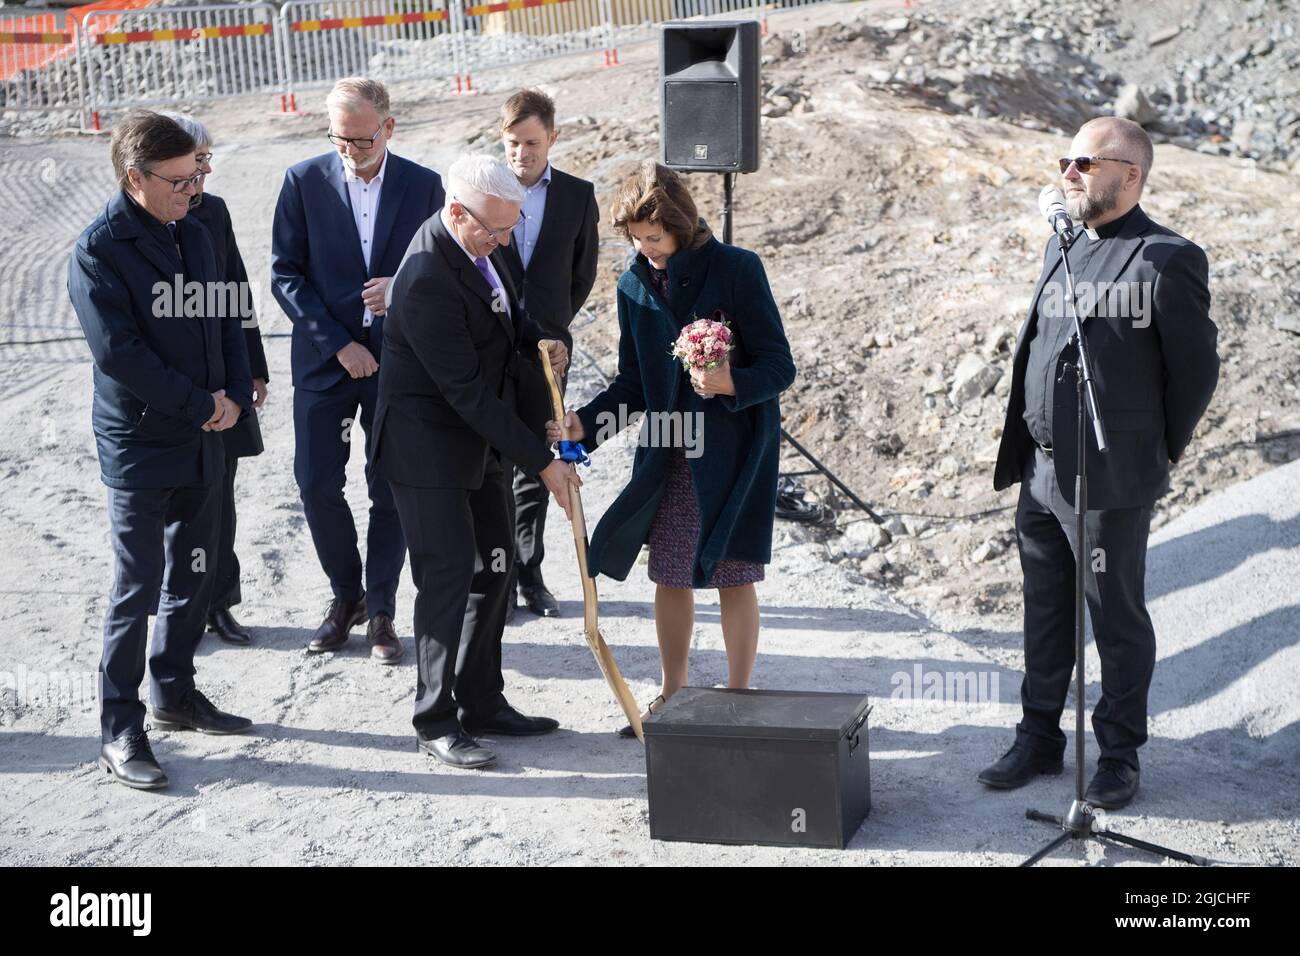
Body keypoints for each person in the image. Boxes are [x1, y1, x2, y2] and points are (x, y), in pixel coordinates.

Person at [981, 117, 1220, 809]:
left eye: (1087, 162)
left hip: (1110, 478)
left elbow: (1195, 374)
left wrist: (1156, 449)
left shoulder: (1167, 258)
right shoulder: (1065, 244)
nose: (1070, 171)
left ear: (1132, 175)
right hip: (1043, 471)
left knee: (1114, 618)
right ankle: (1039, 737)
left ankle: (1118, 753)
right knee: (1046, 612)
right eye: (1066, 160)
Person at [546, 161, 796, 737]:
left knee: (734, 573)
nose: (646, 249)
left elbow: (780, 365)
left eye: (653, 238)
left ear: (680, 225)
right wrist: (587, 423)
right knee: (670, 573)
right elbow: (633, 384)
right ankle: (672, 695)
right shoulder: (632, 285)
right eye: (635, 240)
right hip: (667, 452)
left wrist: (732, 382)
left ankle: (739, 696)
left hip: (733, 450)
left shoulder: (737, 269)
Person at [370, 154, 581, 770]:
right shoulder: (426, 276)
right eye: (495, 231)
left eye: (511, 229)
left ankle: (482, 699)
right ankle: (434, 718)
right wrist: (542, 462)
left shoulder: (489, 239)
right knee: (447, 576)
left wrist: (547, 348)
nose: (506, 241)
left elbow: (515, 323)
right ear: (457, 213)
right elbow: (464, 391)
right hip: (427, 450)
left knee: (495, 568)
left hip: (481, 443)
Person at [68, 110, 254, 790]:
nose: (193, 189)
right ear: (135, 178)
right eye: (179, 180)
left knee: (196, 571)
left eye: (196, 175)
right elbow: (122, 355)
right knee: (136, 587)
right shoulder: (98, 250)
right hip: (145, 442)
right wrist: (200, 403)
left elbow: (227, 312)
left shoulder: (195, 230)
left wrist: (233, 391)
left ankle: (173, 691)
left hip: (207, 429)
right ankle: (121, 725)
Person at [271, 77, 444, 664]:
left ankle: (382, 610)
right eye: (339, 139)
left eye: (362, 140)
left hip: (398, 364)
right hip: (325, 363)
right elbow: (285, 274)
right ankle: (345, 597)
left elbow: (441, 266)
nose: (349, 150)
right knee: (317, 483)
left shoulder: (424, 186)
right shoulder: (301, 181)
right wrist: (341, 343)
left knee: (389, 487)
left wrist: (402, 288)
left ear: (388, 128)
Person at [161, 111, 269, 647]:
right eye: (194, 162)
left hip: (224, 378)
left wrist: (253, 367)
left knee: (221, 496)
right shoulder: (151, 218)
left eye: (206, 161)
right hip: (175, 386)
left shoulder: (216, 213)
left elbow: (236, 290)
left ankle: (221, 602)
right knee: (177, 501)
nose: (201, 174)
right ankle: (181, 602)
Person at [497, 88, 600, 621]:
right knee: (491, 457)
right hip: (490, 347)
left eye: (532, 143)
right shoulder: (485, 189)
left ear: (552, 139)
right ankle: (492, 572)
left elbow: (581, 274)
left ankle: (529, 573)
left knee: (540, 460)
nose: (522, 154)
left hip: (549, 352)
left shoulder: (578, 196)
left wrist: (555, 329)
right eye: (513, 143)